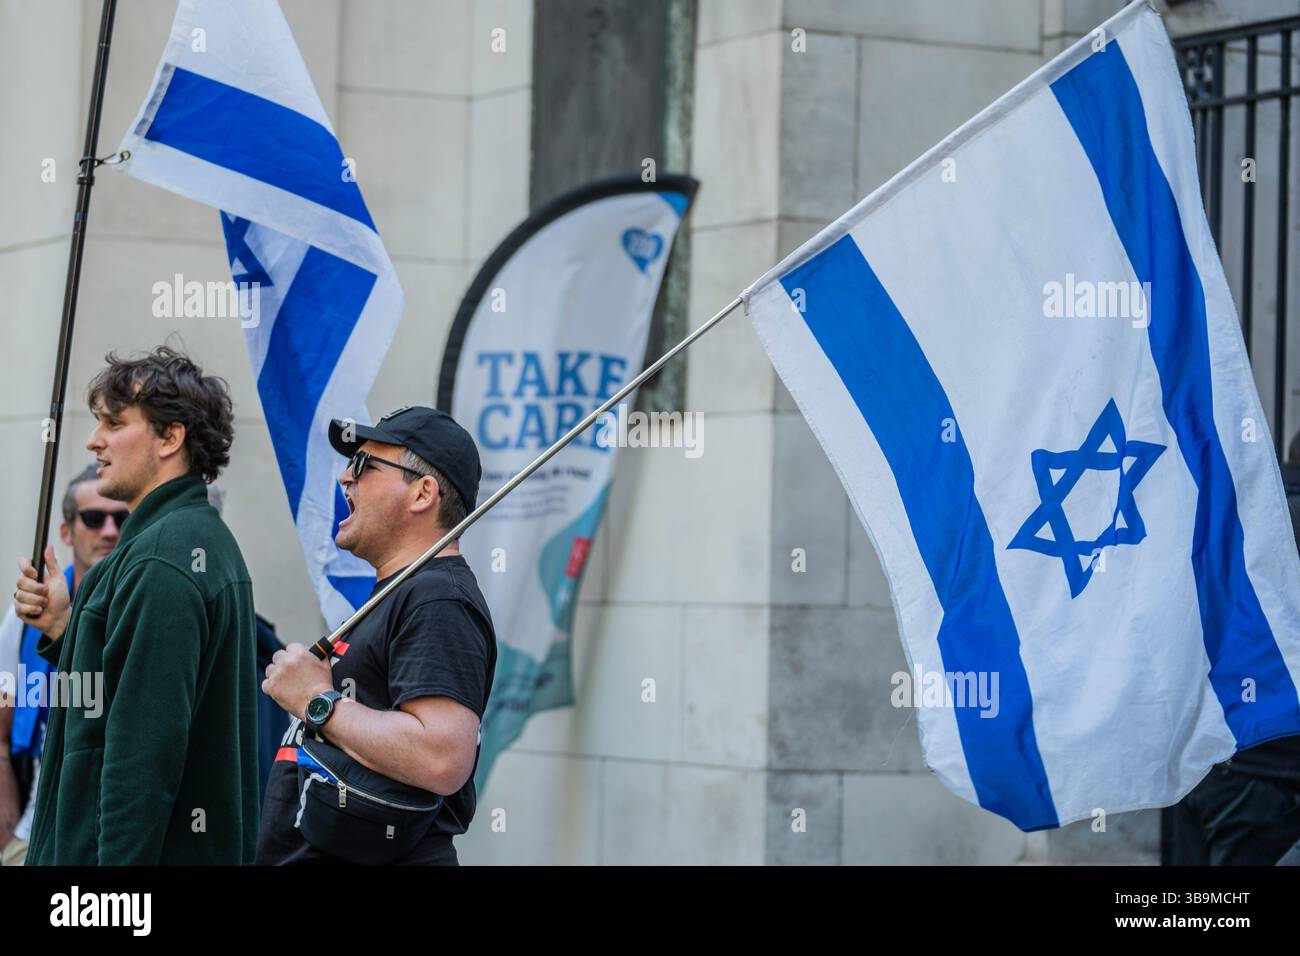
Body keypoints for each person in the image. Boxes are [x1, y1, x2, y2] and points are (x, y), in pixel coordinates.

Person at [12, 346, 260, 865]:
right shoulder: (171, 543)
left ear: (171, 437)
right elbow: (103, 704)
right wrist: (64, 629)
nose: (93, 439)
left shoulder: (163, 560)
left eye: (114, 422)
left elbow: (142, 764)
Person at [257, 406, 497, 866]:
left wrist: (317, 701)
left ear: (423, 493)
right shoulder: (407, 590)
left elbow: (441, 756)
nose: (346, 478)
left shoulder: (436, 598)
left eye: (364, 465)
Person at [0, 465, 123, 866]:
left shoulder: (142, 606)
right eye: (93, 518)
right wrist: (8, 831)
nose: (108, 530)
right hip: (36, 831)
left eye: (121, 518)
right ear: (67, 531)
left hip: (115, 835)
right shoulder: (25, 614)